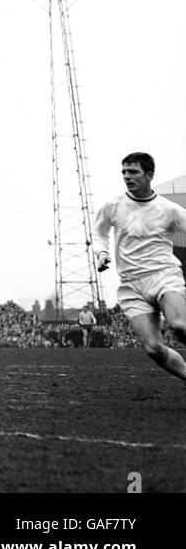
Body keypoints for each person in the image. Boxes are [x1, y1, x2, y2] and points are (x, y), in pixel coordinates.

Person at [93, 152, 186, 388]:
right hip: (131, 285)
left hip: (164, 276)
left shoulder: (169, 209)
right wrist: (102, 254)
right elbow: (100, 233)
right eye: (124, 172)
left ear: (149, 174)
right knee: (153, 348)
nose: (126, 176)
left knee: (179, 326)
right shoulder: (112, 206)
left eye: (133, 171)